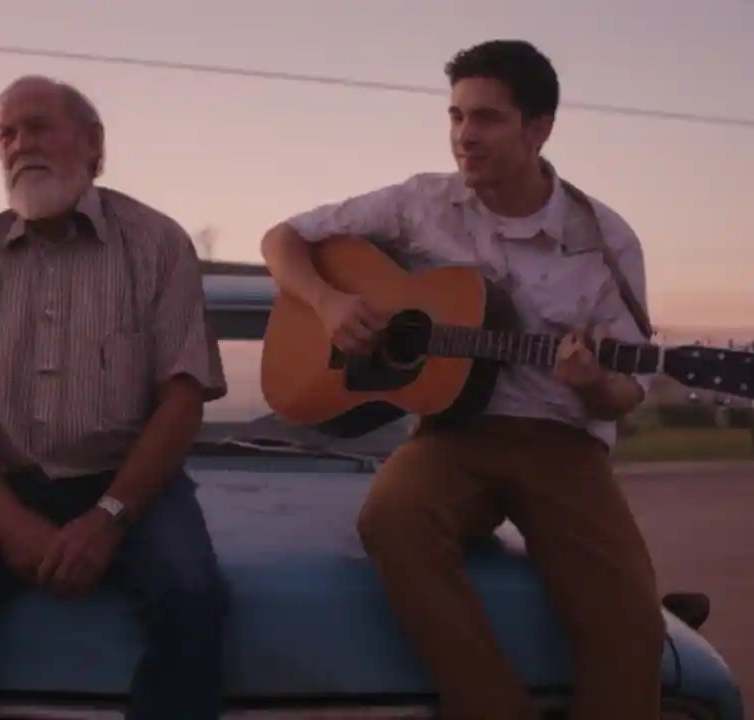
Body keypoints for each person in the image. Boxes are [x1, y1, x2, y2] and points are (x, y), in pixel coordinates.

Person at [259, 40, 665, 720]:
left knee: (629, 623)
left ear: (539, 130)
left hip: (562, 440)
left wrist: (594, 383)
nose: (463, 137)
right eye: (455, 117)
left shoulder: (603, 239)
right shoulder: (421, 203)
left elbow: (630, 388)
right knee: (391, 520)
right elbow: (282, 239)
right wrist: (328, 303)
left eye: (486, 119)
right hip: (452, 432)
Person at [0, 74, 230, 720]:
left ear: (93, 145)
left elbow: (182, 400)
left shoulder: (158, 245)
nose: (19, 145)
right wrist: (10, 524)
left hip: (135, 487)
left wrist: (109, 516)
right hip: (9, 484)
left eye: (37, 127)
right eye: (6, 133)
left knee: (193, 599)